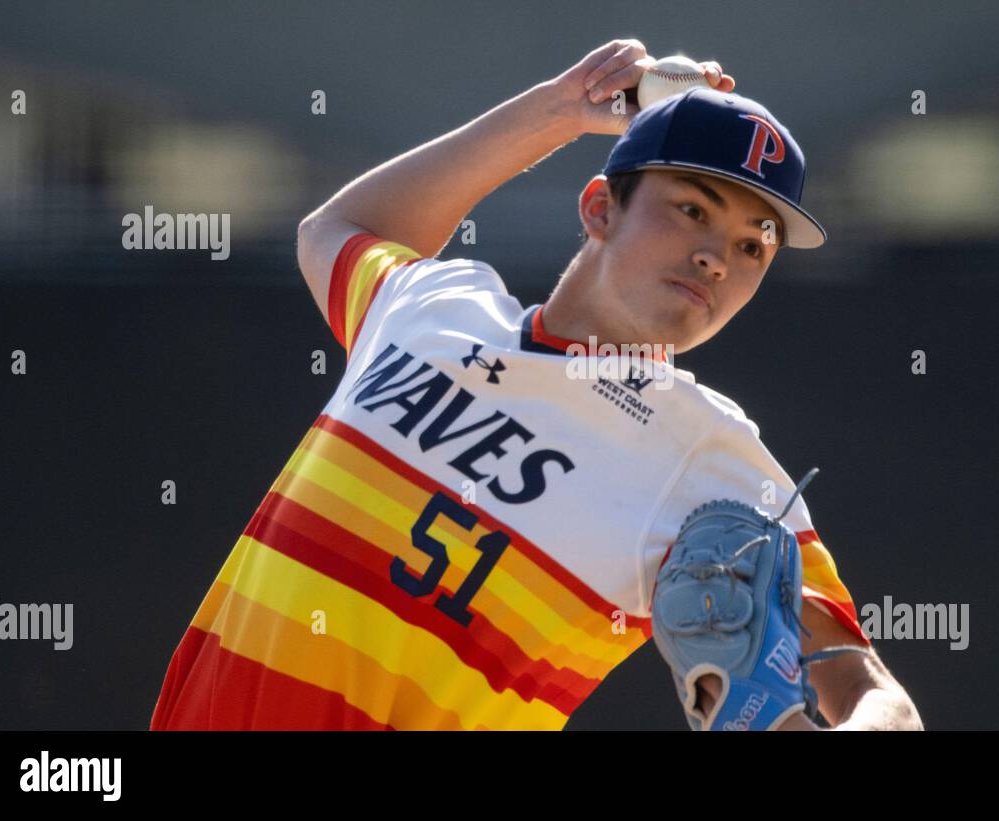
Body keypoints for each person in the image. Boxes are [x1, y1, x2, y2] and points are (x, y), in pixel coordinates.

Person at [150, 39, 922, 731]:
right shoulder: (434, 307)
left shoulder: (710, 458)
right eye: (692, 209)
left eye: (755, 246)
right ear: (598, 208)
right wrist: (558, 108)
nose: (718, 257)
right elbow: (333, 229)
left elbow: (871, 690)